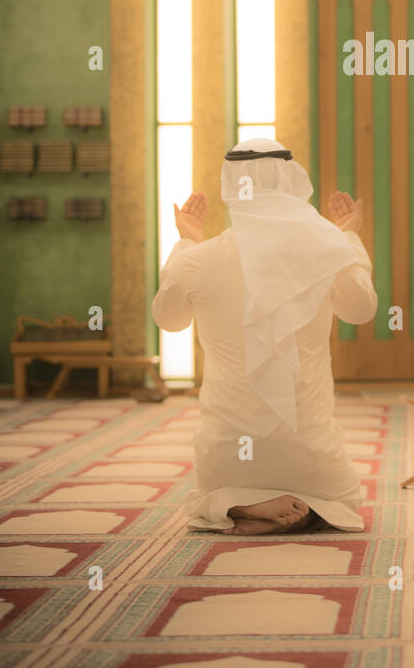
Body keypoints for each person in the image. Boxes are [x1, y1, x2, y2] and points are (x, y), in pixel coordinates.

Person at [151, 138, 378, 536]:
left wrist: (186, 240)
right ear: (292, 184)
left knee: (208, 492)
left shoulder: (200, 259)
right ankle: (311, 506)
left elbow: (167, 320)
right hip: (311, 456)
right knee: (344, 500)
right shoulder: (326, 251)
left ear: (229, 188)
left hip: (226, 454)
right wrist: (348, 237)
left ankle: (235, 503)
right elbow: (361, 310)